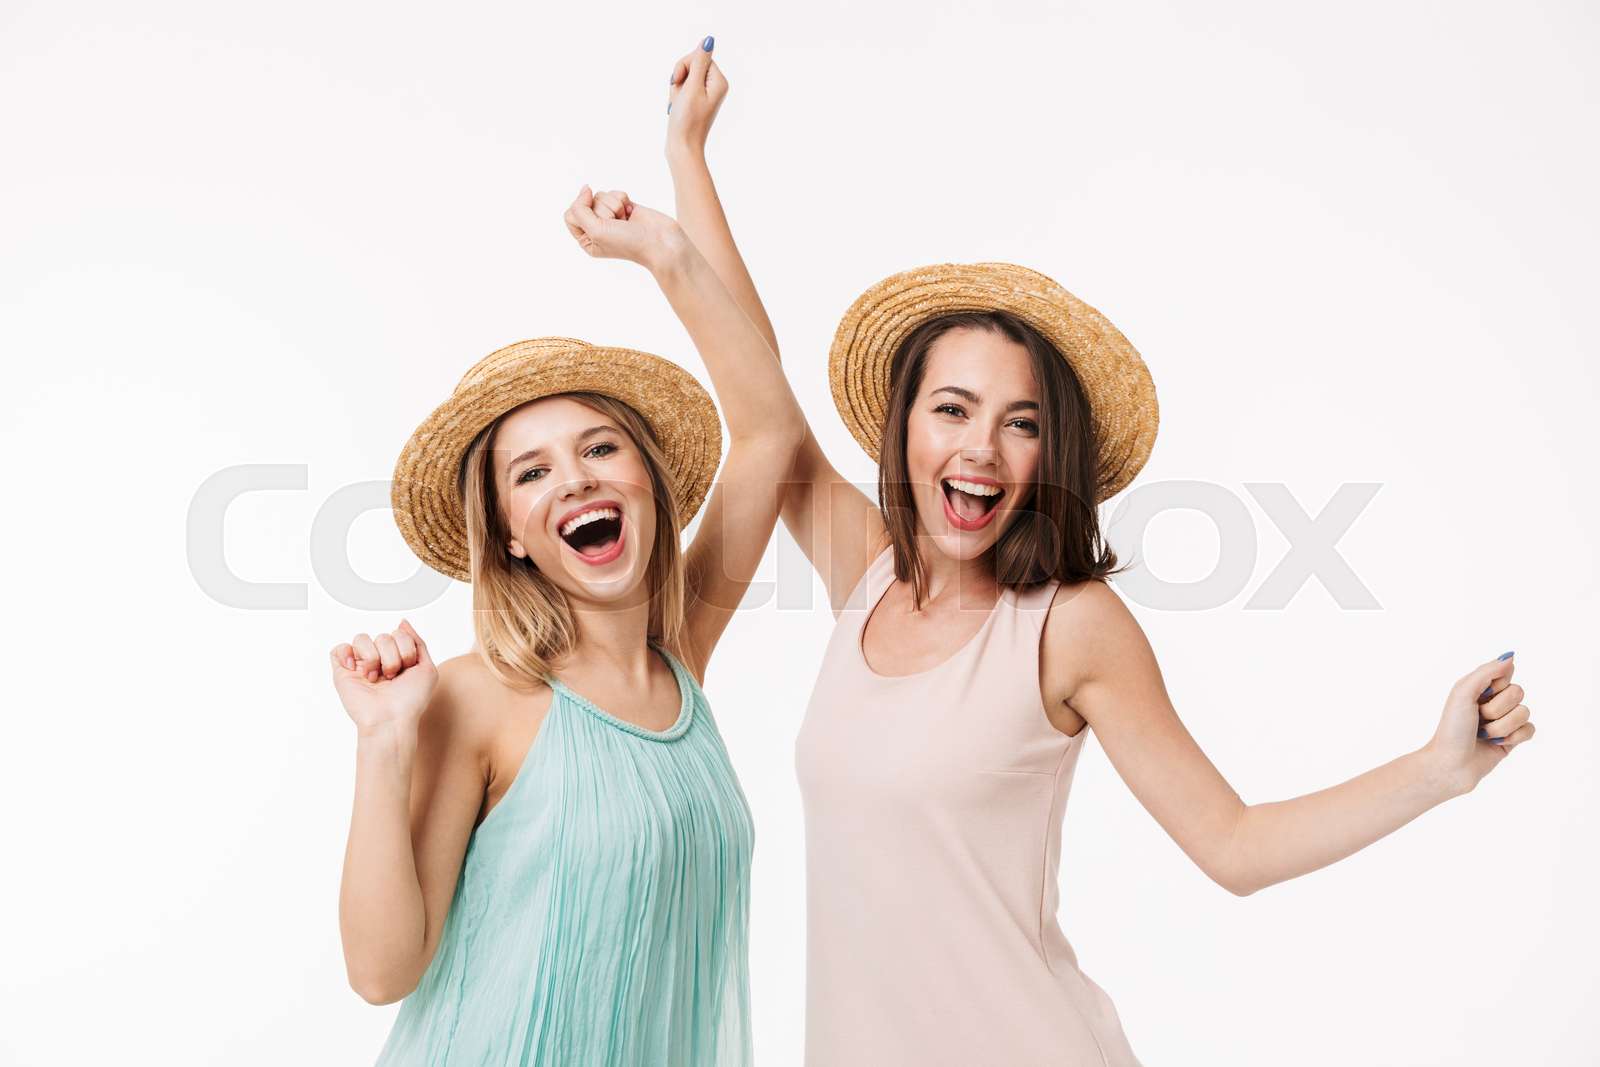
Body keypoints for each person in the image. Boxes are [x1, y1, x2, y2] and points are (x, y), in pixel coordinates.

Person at [660, 42, 1539, 1067]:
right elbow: (758, 393)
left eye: (1020, 423)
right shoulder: (868, 579)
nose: (981, 447)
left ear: (1052, 453)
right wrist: (689, 161)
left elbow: (1234, 844)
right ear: (905, 427)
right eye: (952, 409)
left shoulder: (1068, 626)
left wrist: (1437, 769)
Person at [329, 47, 805, 1060]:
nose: (577, 481)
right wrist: (383, 743)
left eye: (600, 449)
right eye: (532, 472)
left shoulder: (681, 657)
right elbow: (381, 971)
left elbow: (768, 432)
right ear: (507, 530)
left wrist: (674, 219)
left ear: (647, 482)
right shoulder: (474, 697)